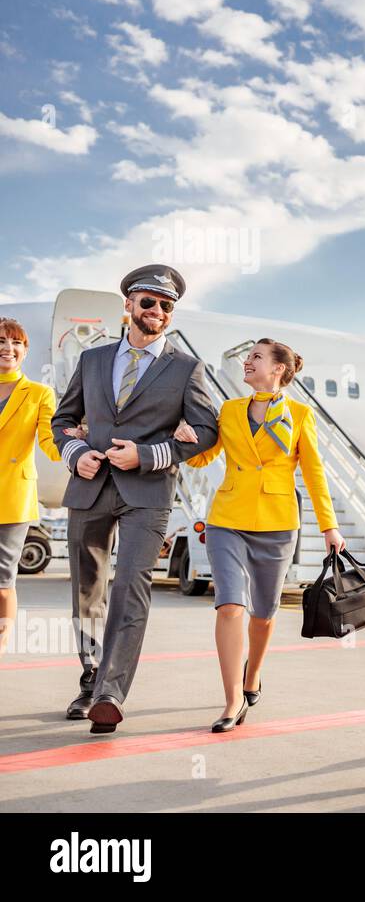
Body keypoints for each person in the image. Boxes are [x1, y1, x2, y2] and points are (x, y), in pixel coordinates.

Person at [52, 266, 218, 732]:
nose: (158, 312)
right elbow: (64, 420)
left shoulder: (187, 368)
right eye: (149, 303)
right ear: (128, 306)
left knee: (131, 587)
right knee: (87, 588)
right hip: (89, 488)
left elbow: (205, 431)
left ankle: (111, 692)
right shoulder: (93, 360)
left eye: (167, 306)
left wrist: (147, 455)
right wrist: (76, 452)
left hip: (148, 493)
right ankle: (90, 677)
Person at [182, 339, 344, 732]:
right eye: (248, 356)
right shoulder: (230, 410)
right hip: (228, 518)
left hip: (276, 522)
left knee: (264, 613)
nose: (247, 362)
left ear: (278, 369)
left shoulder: (301, 415)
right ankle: (232, 699)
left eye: (256, 357)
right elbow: (207, 456)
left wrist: (329, 525)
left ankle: (252, 672)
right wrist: (188, 441)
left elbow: (314, 473)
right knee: (229, 606)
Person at [0, 319, 61, 654]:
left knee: (3, 581)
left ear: (24, 351)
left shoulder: (39, 393)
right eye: (1, 341)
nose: (7, 348)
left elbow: (49, 441)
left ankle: (2, 643)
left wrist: (73, 445)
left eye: (15, 342)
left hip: (12, 497)